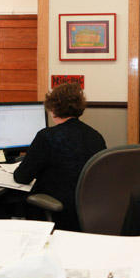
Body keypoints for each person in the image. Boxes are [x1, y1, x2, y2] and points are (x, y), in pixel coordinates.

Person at [13, 82, 107, 231]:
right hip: (91, 209)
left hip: (59, 209)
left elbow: (21, 177)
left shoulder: (47, 137)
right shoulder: (95, 136)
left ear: (53, 108)